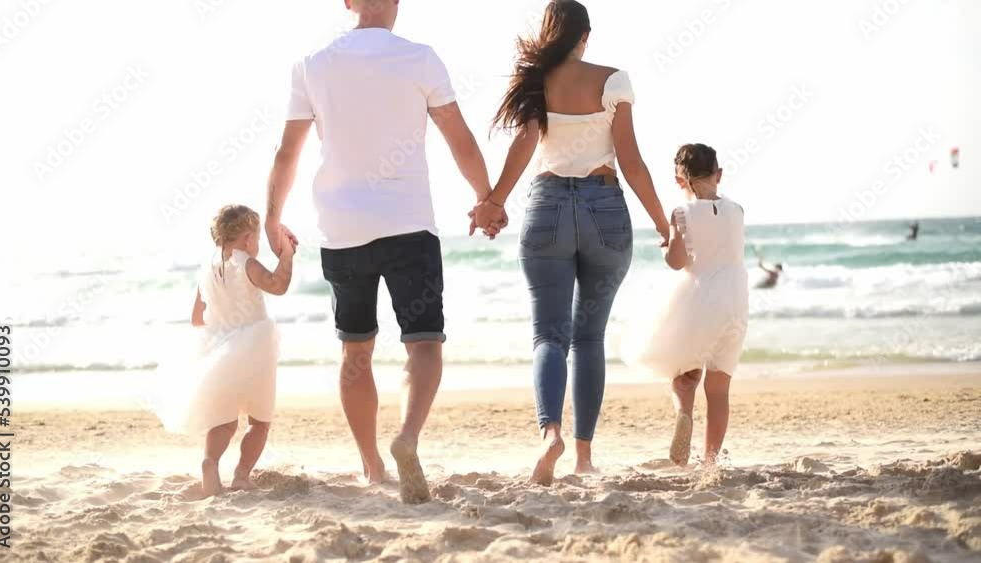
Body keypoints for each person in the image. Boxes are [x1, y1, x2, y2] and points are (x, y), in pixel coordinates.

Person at [265, 0, 502, 504]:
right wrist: (486, 199)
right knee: (424, 343)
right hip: (408, 223)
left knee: (356, 350)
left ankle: (371, 465)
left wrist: (271, 216)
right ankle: (407, 437)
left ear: (349, 2)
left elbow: (288, 151)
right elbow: (459, 139)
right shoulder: (419, 58)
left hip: (341, 226)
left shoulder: (313, 63)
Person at [473, 0, 669, 486]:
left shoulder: (538, 80)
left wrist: (493, 203)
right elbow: (632, 161)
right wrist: (664, 224)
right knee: (589, 337)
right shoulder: (614, 80)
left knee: (548, 336)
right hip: (605, 210)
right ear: (586, 34)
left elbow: (524, 146)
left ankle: (550, 435)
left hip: (547, 210)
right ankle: (583, 457)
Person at [154, 205, 296, 498]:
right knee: (259, 419)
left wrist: (222, 323)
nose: (257, 245)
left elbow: (196, 318)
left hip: (218, 347)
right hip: (254, 345)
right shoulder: (247, 263)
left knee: (224, 419)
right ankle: (242, 475)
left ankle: (210, 462)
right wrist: (287, 256)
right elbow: (278, 286)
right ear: (246, 239)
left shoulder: (208, 269)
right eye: (256, 239)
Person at [622, 144, 748, 467]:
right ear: (718, 175)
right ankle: (710, 462)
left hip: (699, 297)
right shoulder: (737, 211)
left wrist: (667, 246)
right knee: (719, 389)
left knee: (684, 375)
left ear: (680, 181)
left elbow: (678, 262)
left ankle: (684, 416)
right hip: (735, 302)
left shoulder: (682, 213)